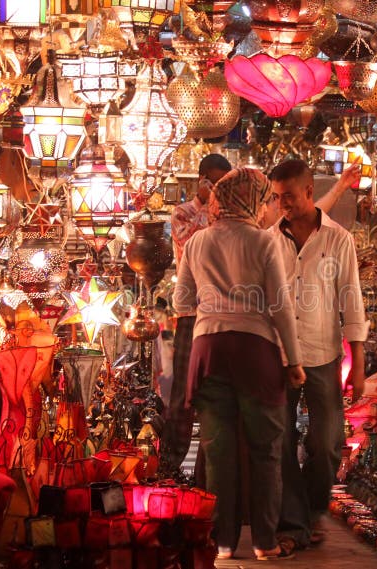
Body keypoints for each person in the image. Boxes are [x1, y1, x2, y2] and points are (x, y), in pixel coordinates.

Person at [174, 168, 306, 561]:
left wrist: (213, 307)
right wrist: (294, 360)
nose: (271, 209)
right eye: (268, 200)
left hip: (208, 349)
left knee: (217, 451)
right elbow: (280, 306)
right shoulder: (263, 243)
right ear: (252, 201)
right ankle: (265, 541)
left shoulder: (197, 242)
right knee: (265, 449)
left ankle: (224, 543)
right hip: (255, 352)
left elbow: (182, 300)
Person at [268, 159, 369, 552]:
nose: (283, 206)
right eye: (277, 199)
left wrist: (358, 367)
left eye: (289, 197)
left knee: (327, 444)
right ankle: (293, 525)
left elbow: (352, 302)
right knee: (280, 440)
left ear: (309, 192)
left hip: (323, 355)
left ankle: (308, 513)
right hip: (277, 355)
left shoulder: (338, 240)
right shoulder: (269, 239)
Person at [163, 154, 232, 472]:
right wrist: (207, 205)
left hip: (221, 312)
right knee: (183, 393)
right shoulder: (183, 212)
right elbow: (191, 241)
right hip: (191, 312)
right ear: (203, 179)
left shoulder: (229, 215)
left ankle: (209, 471)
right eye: (215, 182)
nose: (220, 188)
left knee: (217, 392)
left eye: (224, 184)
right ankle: (171, 465)